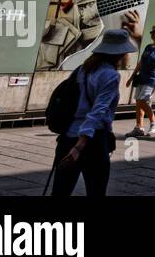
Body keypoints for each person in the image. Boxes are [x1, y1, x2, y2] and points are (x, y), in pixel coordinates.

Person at [52, 28, 134, 196]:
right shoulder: (110, 75)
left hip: (69, 135)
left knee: (60, 191)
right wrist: (79, 147)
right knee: (96, 190)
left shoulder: (83, 69)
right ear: (120, 53)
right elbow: (97, 112)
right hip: (92, 141)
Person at [127, 23, 155, 137]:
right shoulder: (148, 47)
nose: (151, 34)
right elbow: (141, 63)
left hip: (152, 79)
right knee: (138, 103)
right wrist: (131, 77)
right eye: (151, 32)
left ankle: (154, 121)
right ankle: (138, 127)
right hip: (142, 78)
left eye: (153, 32)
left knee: (142, 100)